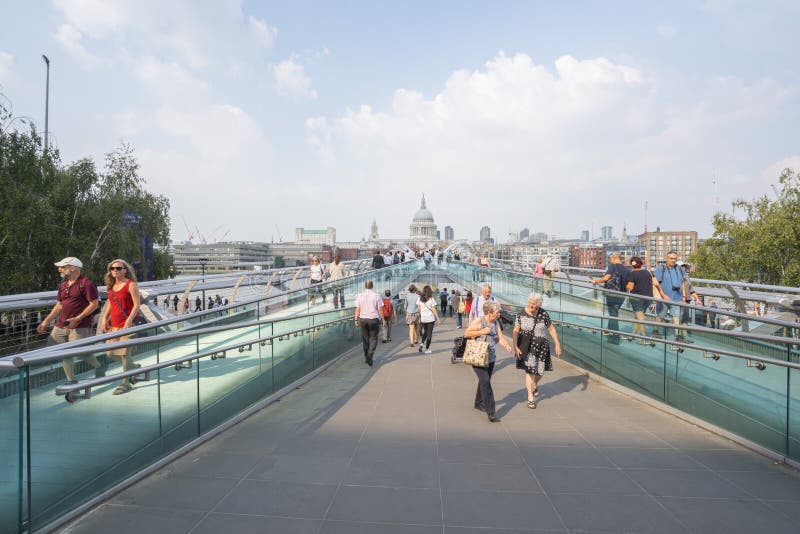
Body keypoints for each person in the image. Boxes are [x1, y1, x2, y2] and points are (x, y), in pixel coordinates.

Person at [36, 257, 106, 384]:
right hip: (61, 324)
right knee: (61, 351)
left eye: (63, 267)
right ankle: (71, 380)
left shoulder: (87, 284)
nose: (59, 270)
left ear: (73, 268)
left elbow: (94, 304)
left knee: (80, 353)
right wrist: (46, 321)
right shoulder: (63, 285)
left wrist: (78, 318)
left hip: (80, 325)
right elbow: (59, 305)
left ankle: (97, 368)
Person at [464, 301, 512, 422]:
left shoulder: (495, 323)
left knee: (484, 381)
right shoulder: (480, 321)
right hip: (478, 356)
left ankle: (478, 403)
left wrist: (506, 346)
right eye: (497, 312)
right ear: (489, 312)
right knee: (485, 382)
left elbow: (499, 338)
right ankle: (491, 412)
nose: (499, 315)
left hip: (490, 357)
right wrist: (482, 331)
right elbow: (467, 333)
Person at [512, 293, 562, 409]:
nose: (531, 305)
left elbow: (551, 328)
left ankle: (535, 384)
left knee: (540, 372)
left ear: (538, 305)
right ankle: (530, 396)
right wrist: (515, 346)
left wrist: (557, 344)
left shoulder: (543, 314)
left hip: (542, 347)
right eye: (530, 303)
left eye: (534, 304)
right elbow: (515, 331)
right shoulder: (521, 314)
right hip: (528, 347)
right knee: (530, 371)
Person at [99, 259, 141, 395]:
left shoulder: (131, 284)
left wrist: (129, 320)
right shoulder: (111, 286)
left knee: (124, 355)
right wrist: (105, 318)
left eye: (118, 268)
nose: (115, 270)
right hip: (114, 326)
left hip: (127, 326)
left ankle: (125, 383)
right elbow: (111, 304)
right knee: (110, 353)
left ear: (125, 270)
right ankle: (134, 367)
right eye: (112, 268)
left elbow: (136, 305)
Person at [590, 253, 629, 344]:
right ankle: (610, 333)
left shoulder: (613, 266)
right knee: (613, 313)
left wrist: (595, 281)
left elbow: (606, 278)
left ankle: (615, 337)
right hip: (622, 295)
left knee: (613, 315)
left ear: (614, 258)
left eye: (610, 258)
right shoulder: (626, 269)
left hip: (612, 294)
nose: (609, 260)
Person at [626, 256, 665, 342]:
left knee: (641, 318)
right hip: (648, 298)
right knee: (637, 317)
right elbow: (656, 282)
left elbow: (630, 287)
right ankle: (632, 335)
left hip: (637, 298)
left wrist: (626, 284)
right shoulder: (648, 272)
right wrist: (661, 293)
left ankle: (644, 338)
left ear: (632, 265)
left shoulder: (632, 274)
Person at [654, 251, 686, 341]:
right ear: (666, 258)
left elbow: (683, 283)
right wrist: (663, 295)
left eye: (675, 258)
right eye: (671, 258)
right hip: (664, 298)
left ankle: (677, 336)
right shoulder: (661, 269)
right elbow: (656, 283)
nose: (673, 260)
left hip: (677, 298)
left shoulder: (679, 269)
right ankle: (655, 331)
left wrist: (683, 297)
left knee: (677, 318)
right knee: (661, 316)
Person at [355, 280, 384, 366]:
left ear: (365, 286)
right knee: (374, 339)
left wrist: (356, 319)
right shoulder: (376, 296)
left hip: (363, 319)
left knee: (365, 340)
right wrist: (383, 319)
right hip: (373, 319)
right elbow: (380, 309)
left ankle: (366, 357)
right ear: (372, 286)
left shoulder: (359, 296)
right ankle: (370, 355)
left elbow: (357, 309)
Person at [418, 285, 440, 354]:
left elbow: (419, 308)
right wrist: (438, 318)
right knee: (429, 334)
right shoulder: (431, 299)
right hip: (430, 319)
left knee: (425, 332)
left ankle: (421, 344)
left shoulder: (420, 299)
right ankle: (427, 349)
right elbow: (434, 310)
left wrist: (421, 315)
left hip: (423, 319)